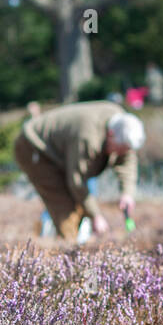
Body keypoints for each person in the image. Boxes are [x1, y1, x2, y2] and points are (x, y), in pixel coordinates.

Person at [13, 102, 143, 242]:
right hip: (34, 147)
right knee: (65, 206)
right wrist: (96, 216)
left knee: (79, 206)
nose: (122, 153)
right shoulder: (88, 139)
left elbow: (127, 159)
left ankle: (66, 241)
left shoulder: (120, 121)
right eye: (121, 148)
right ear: (110, 134)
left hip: (62, 151)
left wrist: (127, 193)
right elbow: (77, 182)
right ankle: (67, 250)